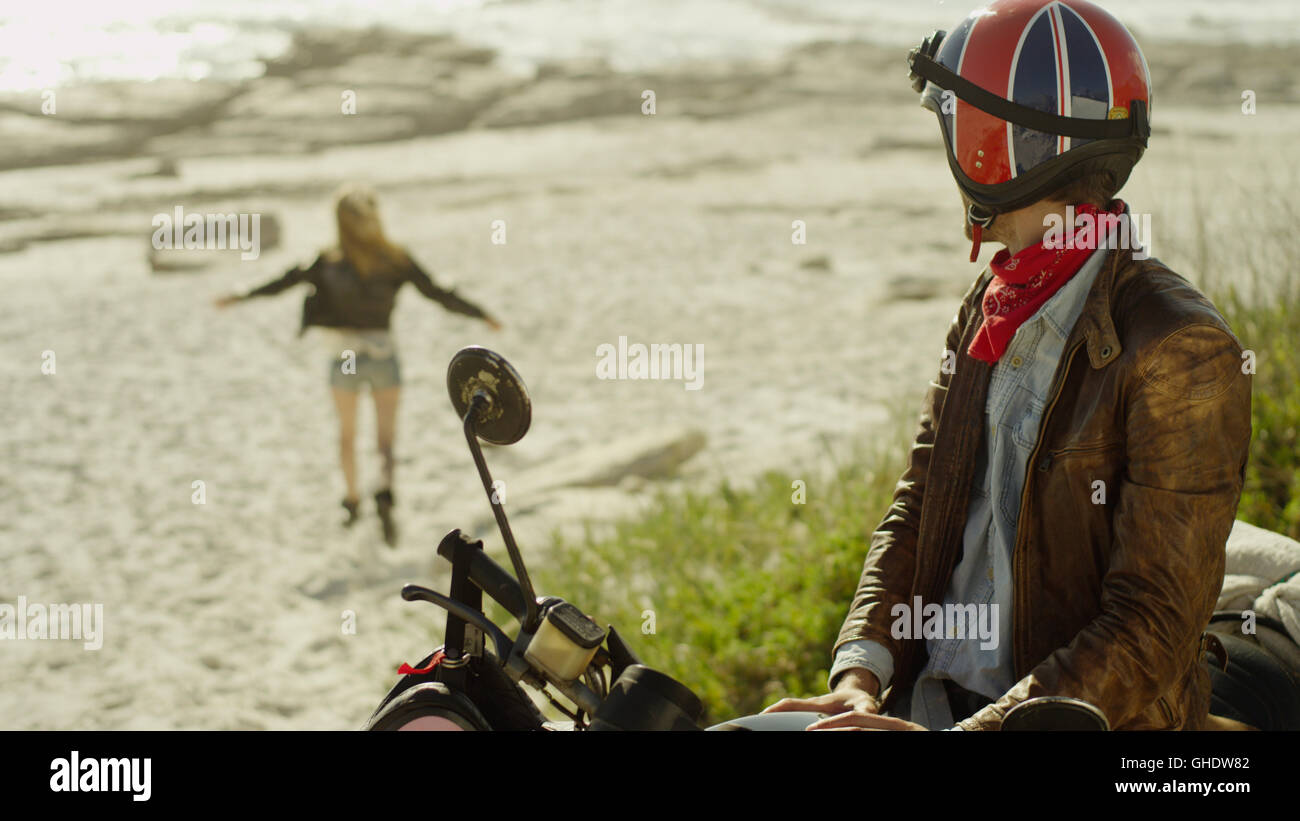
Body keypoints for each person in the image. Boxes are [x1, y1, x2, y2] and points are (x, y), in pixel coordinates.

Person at [765, 0, 1253, 729]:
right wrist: (862, 668)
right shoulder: (998, 298)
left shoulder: (1178, 346)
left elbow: (1152, 624)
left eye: (963, 120)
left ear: (1006, 144)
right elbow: (922, 497)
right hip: (929, 699)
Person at [215, 184, 501, 546]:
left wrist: (239, 294)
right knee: (385, 439)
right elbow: (438, 292)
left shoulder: (327, 260)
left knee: (347, 435)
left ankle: (352, 500)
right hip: (384, 356)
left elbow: (282, 282)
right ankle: (384, 491)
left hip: (345, 358)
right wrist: (482, 314)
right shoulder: (395, 258)